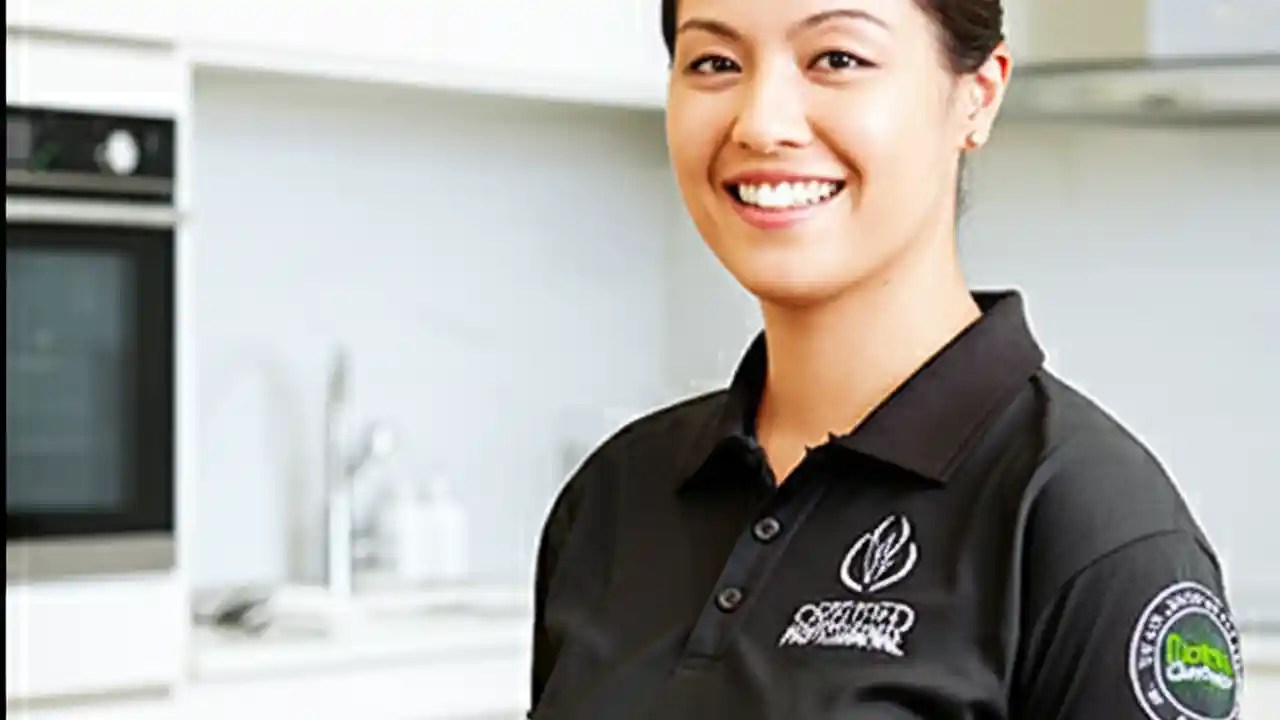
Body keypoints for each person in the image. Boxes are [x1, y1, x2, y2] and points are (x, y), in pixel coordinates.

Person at [527, 1, 1243, 718]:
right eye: (716, 63)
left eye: (837, 59)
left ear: (978, 93)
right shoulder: (612, 498)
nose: (761, 122)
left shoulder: (1092, 525)